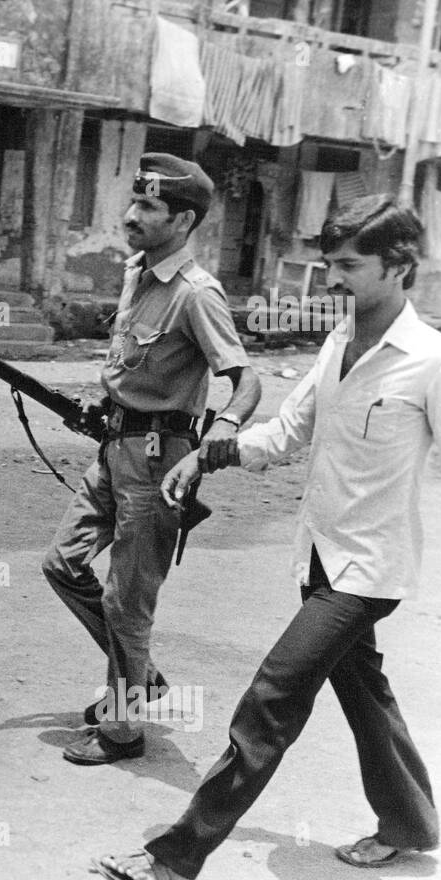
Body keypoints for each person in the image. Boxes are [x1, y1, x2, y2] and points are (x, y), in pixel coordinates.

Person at [92, 197, 441, 880]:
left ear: (399, 267)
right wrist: (205, 458)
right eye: (331, 263)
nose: (334, 279)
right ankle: (409, 822)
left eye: (350, 265)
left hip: (369, 571)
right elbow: (286, 433)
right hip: (318, 556)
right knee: (364, 691)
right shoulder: (341, 345)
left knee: (272, 699)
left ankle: (175, 858)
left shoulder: (438, 362)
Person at [43, 153, 262, 766]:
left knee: (127, 599)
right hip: (114, 450)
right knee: (62, 564)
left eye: (148, 207)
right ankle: (139, 676)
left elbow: (246, 382)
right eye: (134, 202)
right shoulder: (138, 273)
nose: (131, 215)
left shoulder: (196, 295)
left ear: (183, 219)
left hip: (158, 461)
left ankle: (121, 731)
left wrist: (217, 440)